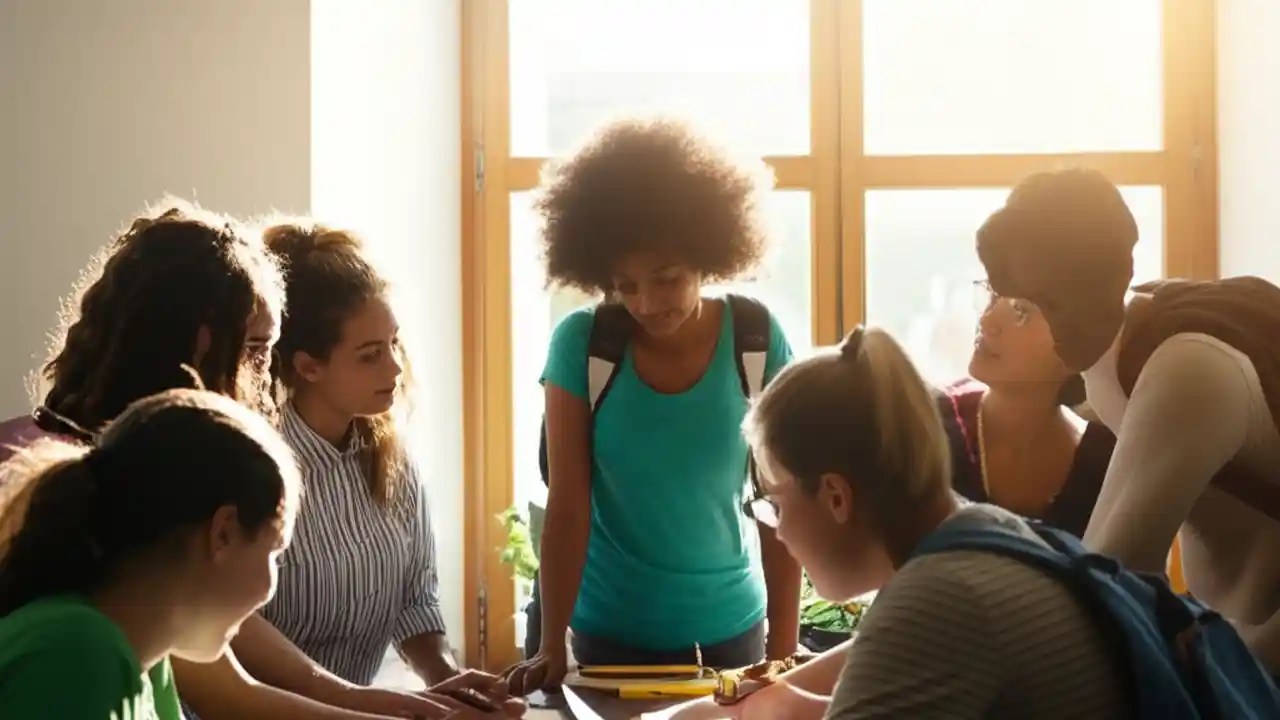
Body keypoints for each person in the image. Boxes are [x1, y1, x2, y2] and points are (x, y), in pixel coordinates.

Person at [0, 201, 480, 719]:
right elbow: (228, 695)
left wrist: (406, 705)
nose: (264, 379)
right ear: (197, 340)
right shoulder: (89, 618)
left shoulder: (143, 600)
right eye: (255, 350)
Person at [657, 327, 1133, 719]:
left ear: (836, 497)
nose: (777, 531)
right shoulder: (985, 533)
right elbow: (866, 657)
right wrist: (757, 703)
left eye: (774, 504)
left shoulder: (939, 597)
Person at [506, 118, 801, 695]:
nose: (646, 303)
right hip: (606, 639)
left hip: (733, 633)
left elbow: (782, 506)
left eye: (666, 279)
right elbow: (568, 504)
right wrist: (550, 644)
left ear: (706, 255)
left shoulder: (757, 340)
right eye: (625, 284)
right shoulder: (582, 344)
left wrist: (785, 656)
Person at [975, 167, 1280, 673]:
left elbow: (1109, 581)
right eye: (1024, 304)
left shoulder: (1188, 366)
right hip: (1239, 633)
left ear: (1118, 271)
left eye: (1051, 301)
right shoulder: (1114, 363)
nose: (1051, 324)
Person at [259, 220, 494, 696]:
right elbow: (232, 643)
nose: (395, 366)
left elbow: (415, 602)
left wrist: (447, 680)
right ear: (308, 366)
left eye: (393, 343)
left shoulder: (393, 458)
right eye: (370, 354)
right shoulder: (256, 471)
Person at [0, 388, 300, 719]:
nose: (268, 592)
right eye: (273, 552)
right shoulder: (77, 651)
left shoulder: (145, 662)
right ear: (223, 533)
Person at [937, 279, 1116, 537]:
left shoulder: (1106, 463)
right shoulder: (930, 427)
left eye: (1020, 311)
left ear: (1077, 349)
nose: (987, 321)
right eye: (991, 294)